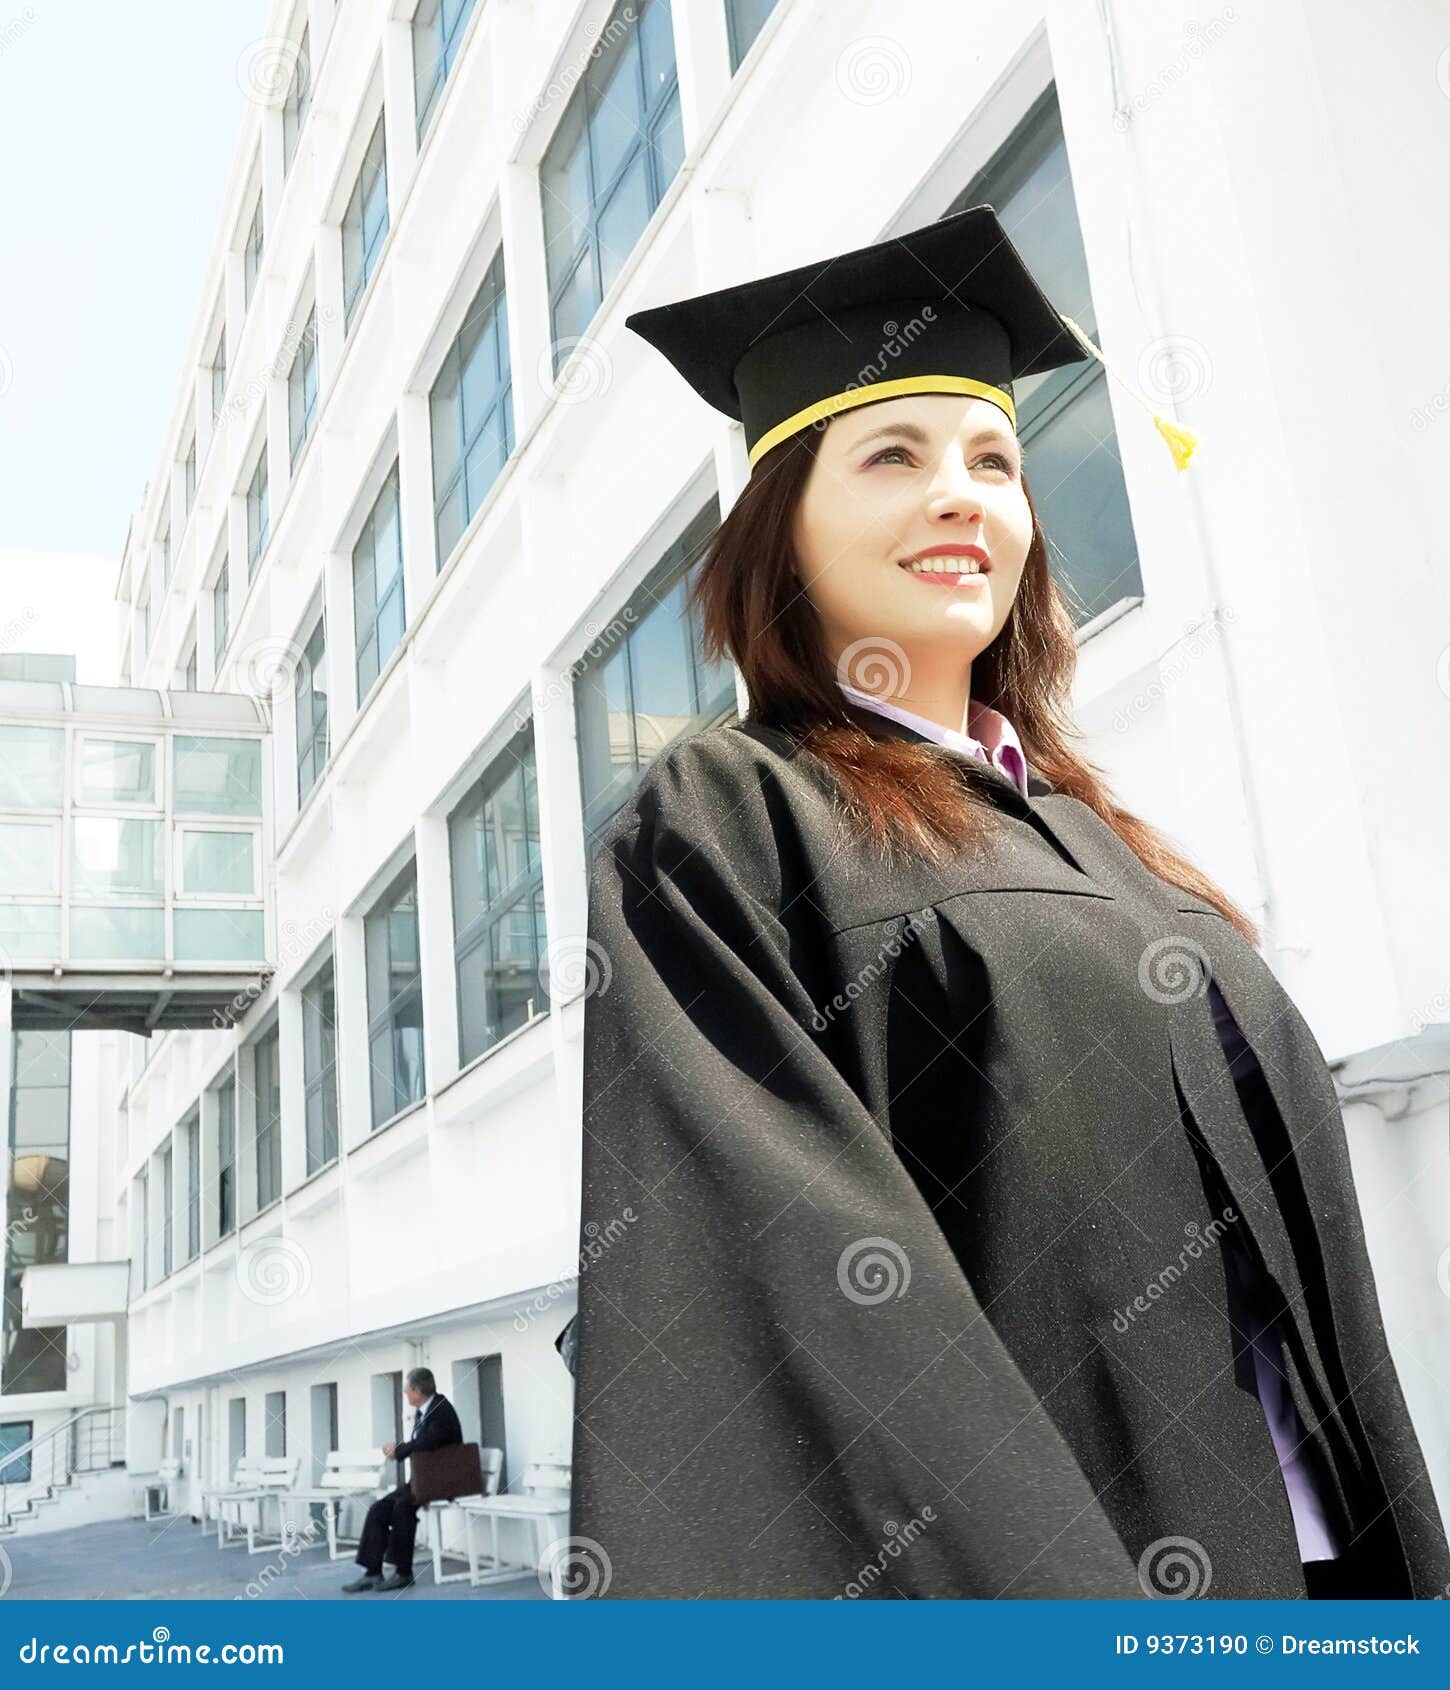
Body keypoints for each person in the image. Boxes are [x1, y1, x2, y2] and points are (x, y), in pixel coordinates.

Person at [568, 205, 1450, 1600]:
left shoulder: (1108, 837)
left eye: (994, 458)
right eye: (892, 454)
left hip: (1326, 1574)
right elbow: (776, 1278)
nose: (960, 492)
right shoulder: (735, 813)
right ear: (779, 521)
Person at [342, 1367, 462, 1592]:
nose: (405, 1393)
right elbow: (422, 1443)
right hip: (423, 1480)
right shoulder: (423, 1411)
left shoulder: (441, 1410)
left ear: (417, 1390)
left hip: (444, 1481)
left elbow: (430, 1442)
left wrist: (400, 1449)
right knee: (378, 1509)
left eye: (407, 1389)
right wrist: (400, 1449)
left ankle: (403, 1572)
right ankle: (373, 1572)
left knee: (403, 1507)